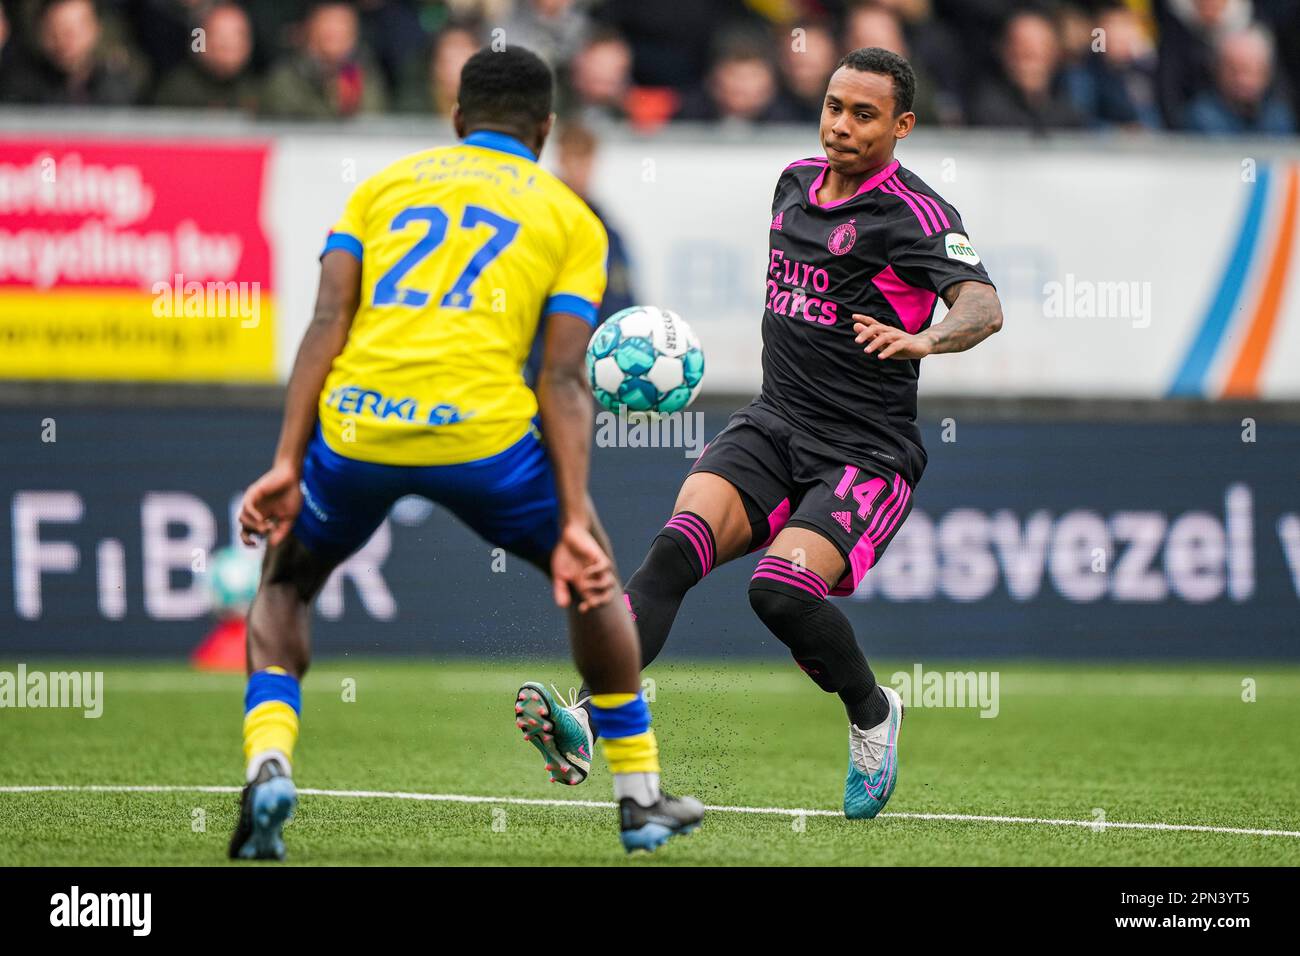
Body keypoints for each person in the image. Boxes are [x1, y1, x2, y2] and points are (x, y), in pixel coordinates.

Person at [230, 45, 703, 860]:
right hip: (484, 439)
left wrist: (285, 460)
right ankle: (638, 797)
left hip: (357, 430)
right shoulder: (569, 218)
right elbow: (560, 378)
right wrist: (576, 517)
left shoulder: (380, 190)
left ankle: (270, 762)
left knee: (285, 584)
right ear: (546, 130)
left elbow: (324, 326)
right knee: (592, 586)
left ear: (456, 117)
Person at [519, 47, 1003, 821]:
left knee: (778, 593)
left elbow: (983, 305)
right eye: (834, 106)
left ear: (902, 126)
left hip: (866, 452)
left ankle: (873, 714)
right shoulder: (792, 185)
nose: (841, 126)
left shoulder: (914, 216)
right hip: (773, 423)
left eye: (864, 114)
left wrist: (927, 339)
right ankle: (590, 713)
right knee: (673, 551)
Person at [1185, 25, 1296, 135]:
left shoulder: (1279, 117)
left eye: (1250, 69)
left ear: (1267, 71)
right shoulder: (1200, 117)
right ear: (1217, 69)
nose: (1242, 80)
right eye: (1233, 70)